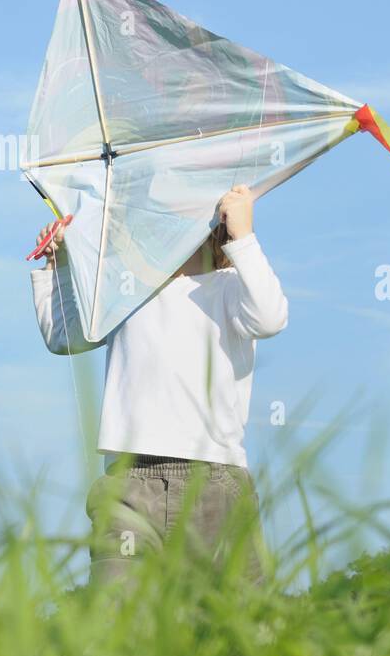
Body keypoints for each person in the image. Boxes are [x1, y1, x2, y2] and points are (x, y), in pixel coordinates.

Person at [30, 185, 284, 585]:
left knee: (233, 629)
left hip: (214, 482)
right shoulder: (122, 289)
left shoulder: (230, 285)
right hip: (128, 485)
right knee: (117, 622)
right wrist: (59, 265)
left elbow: (270, 317)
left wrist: (244, 235)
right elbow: (66, 336)